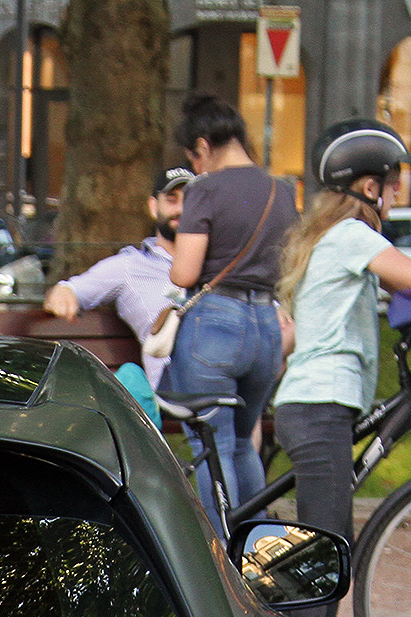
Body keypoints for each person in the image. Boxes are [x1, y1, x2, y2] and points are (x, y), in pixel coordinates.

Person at [272, 121, 411, 548]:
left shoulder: (335, 238)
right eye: (394, 182)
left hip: (318, 404)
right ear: (370, 188)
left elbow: (404, 288)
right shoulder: (353, 237)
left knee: (329, 544)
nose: (400, 192)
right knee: (329, 548)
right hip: (320, 405)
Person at [163, 93, 298, 529]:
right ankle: (256, 549)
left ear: (202, 146)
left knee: (212, 447)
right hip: (266, 328)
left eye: (193, 157)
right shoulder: (282, 191)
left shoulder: (204, 190)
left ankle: (220, 555)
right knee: (243, 443)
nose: (195, 166)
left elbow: (185, 272)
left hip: (214, 328)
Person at [43, 166, 194, 424]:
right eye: (172, 199)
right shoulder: (130, 266)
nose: (181, 209)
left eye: (190, 201)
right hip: (173, 383)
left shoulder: (217, 263)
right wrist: (62, 292)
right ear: (153, 206)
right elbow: (71, 289)